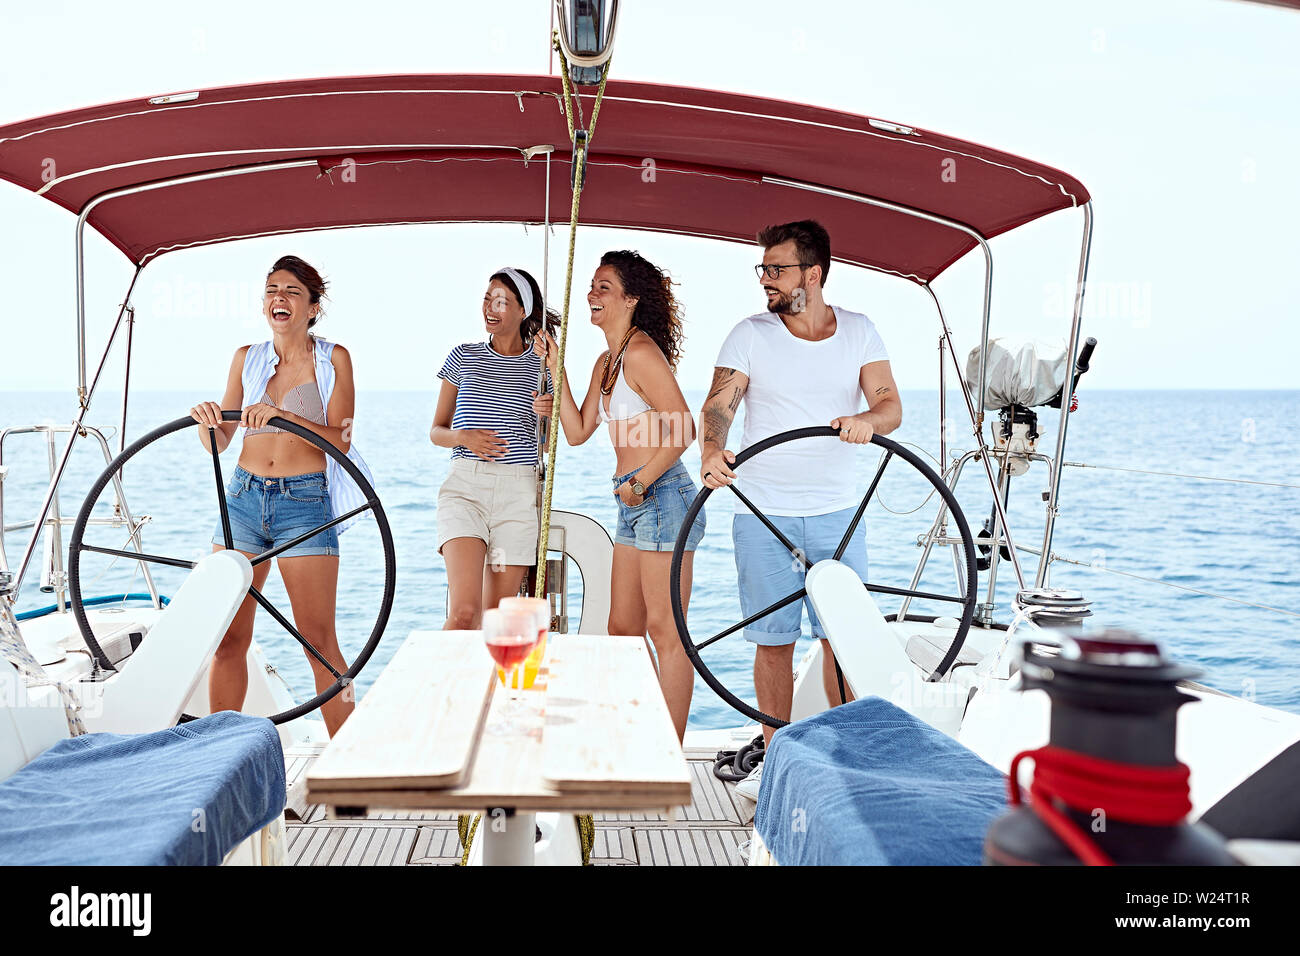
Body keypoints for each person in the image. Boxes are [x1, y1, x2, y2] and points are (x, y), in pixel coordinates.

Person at [698, 219, 902, 798]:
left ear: (813, 274)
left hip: (839, 514)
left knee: (844, 638)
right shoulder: (750, 334)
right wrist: (712, 449)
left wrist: (867, 421)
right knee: (772, 640)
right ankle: (776, 751)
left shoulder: (860, 332)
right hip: (763, 512)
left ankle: (849, 758)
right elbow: (718, 407)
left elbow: (889, 406)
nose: (765, 279)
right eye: (762, 268)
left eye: (776, 269)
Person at [190, 255, 374, 737]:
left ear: (313, 307)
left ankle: (348, 768)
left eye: (292, 291)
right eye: (272, 289)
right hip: (244, 501)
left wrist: (281, 418)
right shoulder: (246, 358)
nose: (279, 298)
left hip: (304, 504)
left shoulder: (334, 359)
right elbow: (221, 442)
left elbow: (341, 440)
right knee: (228, 638)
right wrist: (210, 420)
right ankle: (218, 759)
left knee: (318, 641)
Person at [533, 251, 705, 742]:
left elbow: (684, 427)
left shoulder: (641, 354)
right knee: (623, 627)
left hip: (662, 497)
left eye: (603, 287)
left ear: (631, 299)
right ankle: (647, 734)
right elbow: (578, 429)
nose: (591, 294)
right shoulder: (607, 361)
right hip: (631, 502)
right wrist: (553, 364)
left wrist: (642, 480)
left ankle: (667, 755)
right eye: (591, 285)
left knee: (666, 633)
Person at [431, 267, 555, 629]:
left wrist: (544, 415)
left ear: (522, 312)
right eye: (487, 298)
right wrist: (463, 437)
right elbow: (437, 431)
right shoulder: (462, 355)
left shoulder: (541, 365)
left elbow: (546, 445)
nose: (490, 306)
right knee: (464, 612)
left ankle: (488, 687)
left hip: (517, 493)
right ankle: (447, 687)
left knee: (495, 620)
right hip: (465, 489)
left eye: (501, 301)